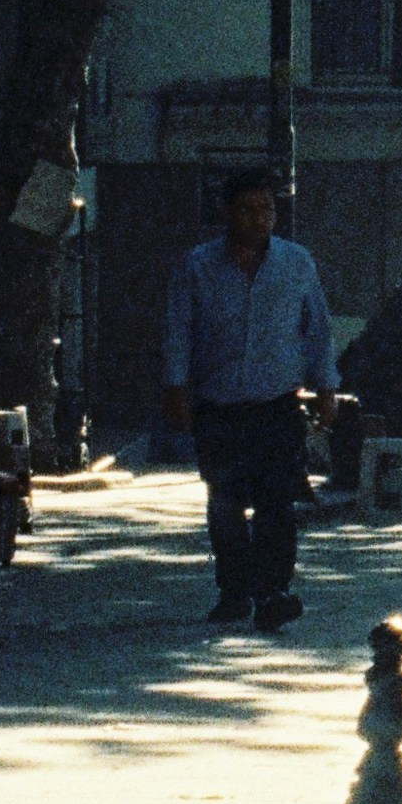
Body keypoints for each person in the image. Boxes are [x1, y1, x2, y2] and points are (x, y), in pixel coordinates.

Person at [160, 169, 335, 633]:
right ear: (228, 212)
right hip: (218, 407)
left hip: (277, 403)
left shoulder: (296, 263)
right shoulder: (198, 266)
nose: (260, 219)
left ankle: (274, 590)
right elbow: (179, 332)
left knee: (278, 501)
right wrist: (176, 390)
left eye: (268, 210)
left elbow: (317, 328)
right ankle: (235, 590)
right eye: (249, 210)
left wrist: (326, 388)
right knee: (226, 502)